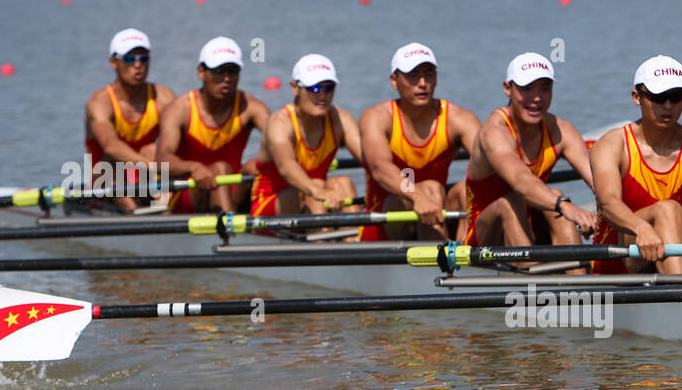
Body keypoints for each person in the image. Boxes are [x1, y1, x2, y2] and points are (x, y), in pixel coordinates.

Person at [590, 55, 682, 275]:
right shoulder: (612, 145)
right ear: (637, 97)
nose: (668, 106)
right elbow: (608, 203)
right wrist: (641, 228)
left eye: (676, 97)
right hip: (620, 259)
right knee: (668, 208)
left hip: (670, 247)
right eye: (658, 97)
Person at [459, 52, 596, 248]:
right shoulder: (495, 131)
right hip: (482, 239)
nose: (537, 98)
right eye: (527, 89)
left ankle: (578, 274)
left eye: (545, 89)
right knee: (513, 202)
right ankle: (530, 274)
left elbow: (598, 181)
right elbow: (521, 182)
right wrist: (565, 206)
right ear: (508, 89)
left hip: (528, 224)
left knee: (556, 195)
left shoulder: (562, 130)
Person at [358, 43, 480, 241]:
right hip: (385, 227)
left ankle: (464, 252)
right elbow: (380, 169)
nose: (422, 83)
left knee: (465, 190)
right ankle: (445, 261)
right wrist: (417, 196)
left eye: (429, 74)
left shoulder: (459, 119)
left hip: (436, 209)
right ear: (394, 81)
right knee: (430, 188)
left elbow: (490, 164)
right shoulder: (376, 117)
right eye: (413, 75)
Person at [156, 37, 270, 214]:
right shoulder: (179, 110)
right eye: (218, 71)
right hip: (187, 195)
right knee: (220, 168)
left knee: (255, 166)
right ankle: (232, 232)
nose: (226, 78)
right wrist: (193, 168)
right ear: (201, 72)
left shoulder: (251, 107)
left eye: (232, 71)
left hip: (232, 193)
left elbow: (283, 140)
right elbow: (162, 159)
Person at [250, 54, 362, 219]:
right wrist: (318, 191)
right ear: (295, 87)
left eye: (329, 88)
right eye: (314, 88)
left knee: (342, 183)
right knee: (314, 186)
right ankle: (322, 238)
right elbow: (286, 167)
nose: (322, 95)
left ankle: (354, 238)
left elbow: (370, 158)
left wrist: (407, 184)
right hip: (269, 209)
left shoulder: (341, 119)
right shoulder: (280, 123)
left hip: (314, 202)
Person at [84, 29, 176, 211]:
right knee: (111, 164)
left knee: (154, 150)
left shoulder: (163, 97)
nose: (137, 64)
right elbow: (111, 145)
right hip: (105, 185)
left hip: (145, 179)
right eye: (129, 59)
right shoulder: (100, 102)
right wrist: (154, 167)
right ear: (113, 62)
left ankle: (167, 212)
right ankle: (136, 217)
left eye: (143, 58)